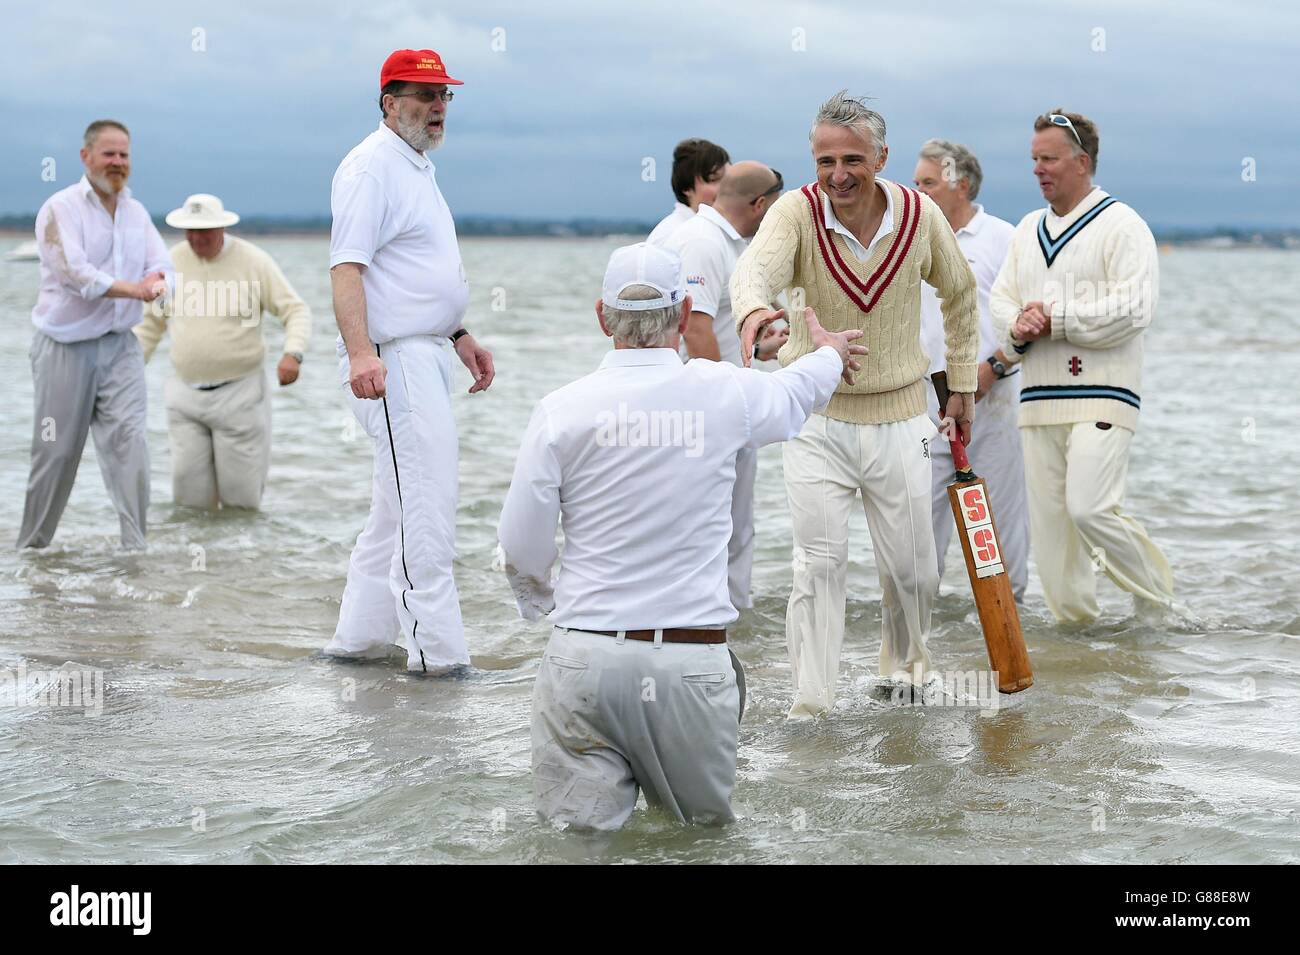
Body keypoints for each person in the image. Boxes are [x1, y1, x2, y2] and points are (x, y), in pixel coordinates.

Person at [498, 242, 865, 829]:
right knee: (701, 842)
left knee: (578, 846)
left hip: (584, 656)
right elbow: (796, 393)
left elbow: (521, 546)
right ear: (686, 309)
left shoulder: (560, 410)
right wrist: (827, 352)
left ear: (602, 317)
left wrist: (543, 602)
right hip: (690, 663)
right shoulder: (724, 393)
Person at [731, 91, 981, 718]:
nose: (837, 175)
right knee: (818, 567)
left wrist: (962, 388)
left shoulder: (921, 216)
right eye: (824, 161)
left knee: (914, 571)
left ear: (882, 157)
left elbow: (960, 293)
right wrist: (759, 315)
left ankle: (904, 675)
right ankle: (811, 705)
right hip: (816, 417)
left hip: (903, 416)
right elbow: (752, 273)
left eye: (852, 160)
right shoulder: (795, 212)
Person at [322, 48, 496, 673]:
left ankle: (357, 646)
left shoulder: (414, 163)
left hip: (425, 352)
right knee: (426, 514)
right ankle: (441, 665)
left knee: (395, 511)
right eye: (425, 96)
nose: (439, 107)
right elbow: (348, 267)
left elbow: (418, 274)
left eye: (446, 95)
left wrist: (461, 335)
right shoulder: (372, 166)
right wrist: (362, 353)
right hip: (392, 362)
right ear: (389, 103)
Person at [991, 109, 1174, 624]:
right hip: (1038, 398)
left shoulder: (1122, 223)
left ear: (1082, 162)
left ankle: (1158, 602)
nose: (1038, 169)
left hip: (1103, 392)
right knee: (1051, 531)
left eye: (1048, 159)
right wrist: (1020, 321)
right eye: (1034, 159)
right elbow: (1002, 300)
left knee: (1089, 508)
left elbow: (1136, 308)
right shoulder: (1028, 228)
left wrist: (1059, 319)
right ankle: (1077, 632)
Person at [18, 119, 172, 551]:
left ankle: (134, 553)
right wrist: (136, 289)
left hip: (122, 346)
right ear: (86, 157)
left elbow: (164, 266)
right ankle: (32, 551)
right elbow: (74, 274)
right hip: (65, 346)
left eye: (124, 155)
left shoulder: (136, 212)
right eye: (109, 154)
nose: (118, 162)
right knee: (57, 453)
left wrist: (160, 282)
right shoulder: (60, 208)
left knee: (132, 445)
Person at [662, 161, 788, 612]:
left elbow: (720, 325)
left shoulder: (732, 244)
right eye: (776, 207)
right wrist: (727, 403)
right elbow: (693, 331)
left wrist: (763, 349)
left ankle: (734, 622)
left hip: (725, 398)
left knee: (736, 524)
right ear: (760, 204)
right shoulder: (703, 242)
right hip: (707, 407)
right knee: (717, 525)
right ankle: (713, 621)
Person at [135, 193, 311, 509]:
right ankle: (194, 557)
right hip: (184, 396)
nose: (197, 238)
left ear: (222, 228)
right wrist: (127, 374)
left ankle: (241, 557)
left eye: (205, 231)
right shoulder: (170, 264)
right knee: (189, 503)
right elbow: (150, 327)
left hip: (240, 395)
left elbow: (295, 310)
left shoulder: (254, 261)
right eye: (191, 231)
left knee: (241, 503)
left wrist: (293, 353)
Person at [913, 139, 1028, 600]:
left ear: (960, 185)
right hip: (926, 404)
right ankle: (922, 635)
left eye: (927, 183)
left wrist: (994, 368)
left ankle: (1011, 622)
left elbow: (1028, 318)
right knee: (920, 528)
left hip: (993, 401)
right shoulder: (912, 240)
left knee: (999, 524)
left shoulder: (1005, 238)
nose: (916, 192)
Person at [646, 138, 730, 247]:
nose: (726, 187)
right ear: (687, 187)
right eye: (714, 179)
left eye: (729, 178)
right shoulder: (675, 234)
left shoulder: (714, 229)